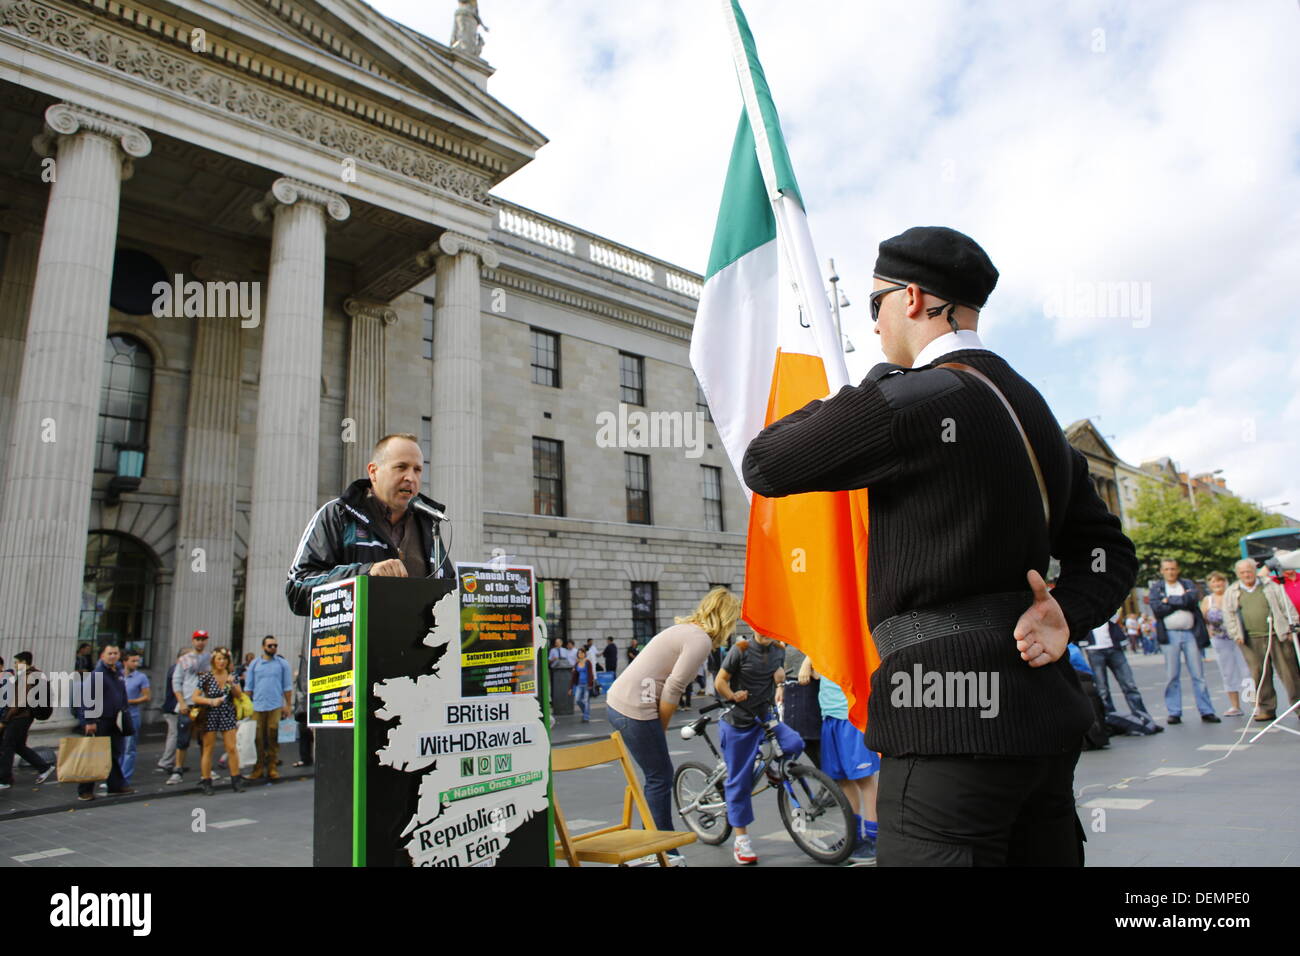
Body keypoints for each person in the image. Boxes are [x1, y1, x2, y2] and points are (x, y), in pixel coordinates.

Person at [741, 226, 1138, 866]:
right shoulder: (1033, 408)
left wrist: (878, 383)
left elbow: (766, 461)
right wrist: (1069, 610)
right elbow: (1109, 551)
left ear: (913, 297)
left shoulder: (911, 397)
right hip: (1044, 721)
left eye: (875, 305)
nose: (874, 325)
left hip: (945, 719)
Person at [606, 587, 741, 861]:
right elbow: (674, 688)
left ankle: (653, 846)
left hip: (621, 702)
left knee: (657, 776)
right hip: (635, 707)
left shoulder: (686, 630)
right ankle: (664, 852)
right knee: (660, 776)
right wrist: (661, 727)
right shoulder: (699, 640)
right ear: (727, 619)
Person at [286, 433, 454, 616]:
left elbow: (450, 594)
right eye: (401, 467)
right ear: (373, 472)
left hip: (416, 635)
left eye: (418, 470)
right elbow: (297, 590)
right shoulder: (337, 515)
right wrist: (365, 574)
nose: (411, 477)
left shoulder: (430, 525)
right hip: (352, 634)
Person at [714, 631, 801, 865]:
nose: (764, 631)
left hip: (765, 717)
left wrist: (779, 681)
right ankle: (741, 840)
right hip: (739, 722)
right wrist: (733, 695)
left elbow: (776, 674)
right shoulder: (740, 650)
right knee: (739, 783)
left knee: (794, 743)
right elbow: (719, 681)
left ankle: (771, 768)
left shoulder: (779, 650)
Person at [799, 656, 877, 864]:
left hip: (851, 716)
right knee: (843, 781)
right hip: (830, 715)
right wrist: (810, 662)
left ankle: (875, 838)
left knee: (865, 780)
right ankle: (854, 838)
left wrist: (807, 661)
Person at [1222, 558, 1300, 722]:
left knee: (1290, 674)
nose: (1246, 575)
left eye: (1249, 571)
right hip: (1250, 639)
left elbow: (1286, 605)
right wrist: (1235, 634)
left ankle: (1298, 706)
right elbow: (1228, 614)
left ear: (1255, 571)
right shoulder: (1232, 591)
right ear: (1238, 574)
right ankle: (1266, 708)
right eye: (1243, 572)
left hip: (1276, 635)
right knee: (1259, 674)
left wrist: (1293, 626)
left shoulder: (1270, 586)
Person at [1149, 559, 1219, 724]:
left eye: (1173, 569)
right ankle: (1174, 711)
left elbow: (1192, 600)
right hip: (1170, 634)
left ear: (1178, 570)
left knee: (1198, 675)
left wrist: (1169, 600)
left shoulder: (1187, 583)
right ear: (1162, 571)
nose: (1170, 572)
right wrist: (1181, 601)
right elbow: (1158, 609)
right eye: (1167, 569)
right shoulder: (1157, 588)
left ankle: (1206, 710)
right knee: (1172, 675)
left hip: (1190, 633)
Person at [1080, 611, 1161, 733]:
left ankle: (1145, 720)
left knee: (1130, 685)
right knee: (1102, 690)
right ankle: (1110, 723)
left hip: (1114, 646)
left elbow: (1115, 616)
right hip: (1093, 649)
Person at [75, 645, 133, 800]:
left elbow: (122, 695)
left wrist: (124, 712)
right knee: (95, 755)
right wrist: (90, 721)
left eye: (115, 653)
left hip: (115, 720)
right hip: (100, 720)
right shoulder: (98, 674)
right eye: (109, 653)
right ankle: (85, 790)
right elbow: (88, 698)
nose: (113, 656)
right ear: (102, 656)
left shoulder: (117, 673)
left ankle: (116, 785)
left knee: (113, 754)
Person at [0, 651, 56, 790]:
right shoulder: (34, 675)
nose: (15, 665)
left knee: (7, 745)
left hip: (19, 717)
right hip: (26, 716)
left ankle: (5, 780)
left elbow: (19, 702)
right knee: (18, 745)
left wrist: (5, 720)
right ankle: (44, 767)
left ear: (24, 662)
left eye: (16, 662)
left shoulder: (27, 676)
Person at [194, 647, 247, 794]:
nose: (222, 662)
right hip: (210, 713)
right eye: (219, 659)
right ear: (213, 661)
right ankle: (206, 781)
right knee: (208, 748)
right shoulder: (206, 677)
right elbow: (195, 697)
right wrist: (211, 701)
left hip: (227, 712)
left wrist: (232, 684)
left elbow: (239, 695)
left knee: (231, 747)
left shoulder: (232, 676)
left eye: (224, 659)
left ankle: (236, 780)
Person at [244, 634, 293, 780]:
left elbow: (287, 686)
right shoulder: (255, 664)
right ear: (263, 647)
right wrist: (245, 706)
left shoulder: (282, 664)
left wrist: (288, 705)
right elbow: (248, 687)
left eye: (275, 645)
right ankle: (258, 768)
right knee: (258, 738)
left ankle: (272, 767)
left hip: (275, 705)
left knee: (273, 735)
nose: (273, 648)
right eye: (270, 645)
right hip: (257, 706)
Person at [1202, 571, 1250, 717]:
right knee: (1227, 672)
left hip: (1238, 638)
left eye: (1220, 581)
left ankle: (1254, 704)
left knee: (1247, 672)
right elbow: (1203, 619)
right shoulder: (1208, 600)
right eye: (1214, 581)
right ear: (1209, 584)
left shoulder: (1232, 595)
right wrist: (1208, 633)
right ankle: (1235, 706)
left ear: (1225, 582)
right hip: (1220, 640)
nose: (1217, 584)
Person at [167, 630, 212, 785]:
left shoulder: (210, 659)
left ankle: (206, 769)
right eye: (198, 639)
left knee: (205, 738)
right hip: (188, 703)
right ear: (193, 641)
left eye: (203, 639)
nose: (200, 642)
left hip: (204, 704)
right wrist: (181, 702)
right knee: (183, 737)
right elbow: (176, 681)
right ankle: (178, 769)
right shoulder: (184, 659)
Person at [120, 650, 150, 785]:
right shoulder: (118, 675)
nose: (136, 663)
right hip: (117, 715)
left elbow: (146, 696)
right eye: (133, 661)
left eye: (138, 661)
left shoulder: (141, 677)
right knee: (117, 747)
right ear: (125, 662)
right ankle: (115, 777)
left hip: (132, 715)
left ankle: (124, 778)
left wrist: (131, 701)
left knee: (129, 747)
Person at [156, 649, 186, 773]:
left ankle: (175, 761)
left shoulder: (176, 669)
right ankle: (166, 761)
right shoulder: (176, 670)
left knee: (176, 734)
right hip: (173, 707)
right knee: (174, 734)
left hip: (173, 706)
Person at [571, 648, 595, 722]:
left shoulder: (588, 662)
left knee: (586, 701)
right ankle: (586, 712)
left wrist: (590, 684)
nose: (580, 654)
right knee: (578, 700)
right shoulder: (577, 663)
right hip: (579, 684)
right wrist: (571, 687)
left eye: (582, 653)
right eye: (579, 653)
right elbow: (574, 675)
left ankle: (586, 717)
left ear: (584, 654)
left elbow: (590, 674)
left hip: (587, 684)